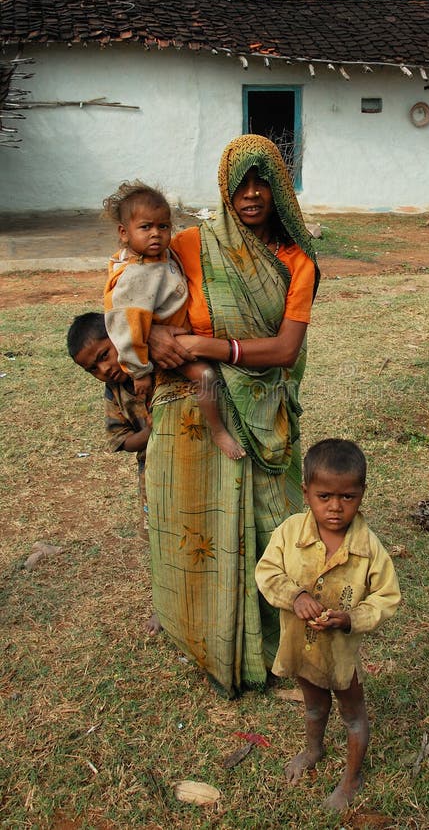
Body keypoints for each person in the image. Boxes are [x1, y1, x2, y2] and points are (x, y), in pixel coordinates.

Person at [144, 134, 320, 698]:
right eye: (239, 182)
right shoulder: (191, 244)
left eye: (262, 181)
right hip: (192, 412)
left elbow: (285, 350)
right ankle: (201, 637)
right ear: (224, 187)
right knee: (198, 526)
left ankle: (276, 656)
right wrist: (155, 336)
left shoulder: (296, 263)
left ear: (279, 189)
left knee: (275, 530)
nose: (251, 194)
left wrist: (208, 347)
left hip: (263, 414)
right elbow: (130, 286)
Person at [255, 439, 401, 812]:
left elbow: (386, 597)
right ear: (306, 493)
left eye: (348, 497)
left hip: (341, 656)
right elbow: (267, 572)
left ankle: (352, 778)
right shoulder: (290, 534)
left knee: (352, 713)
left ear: (362, 494)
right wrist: (296, 596)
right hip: (300, 647)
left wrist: (350, 618)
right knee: (313, 705)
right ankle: (313, 749)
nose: (335, 507)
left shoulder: (369, 549)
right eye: (324, 496)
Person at [103, 181, 245, 459]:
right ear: (124, 233)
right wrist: (139, 370)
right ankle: (218, 431)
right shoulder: (136, 276)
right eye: (145, 227)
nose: (156, 234)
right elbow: (126, 326)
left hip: (181, 339)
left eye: (164, 226)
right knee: (205, 376)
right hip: (170, 349)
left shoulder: (159, 257)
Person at [67, 312, 162, 635]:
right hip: (152, 476)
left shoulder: (155, 363)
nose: (103, 369)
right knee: (159, 543)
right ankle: (164, 605)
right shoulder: (114, 393)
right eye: (92, 369)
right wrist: (150, 430)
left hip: (189, 465)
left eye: (104, 356)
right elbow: (123, 441)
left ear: (120, 337)